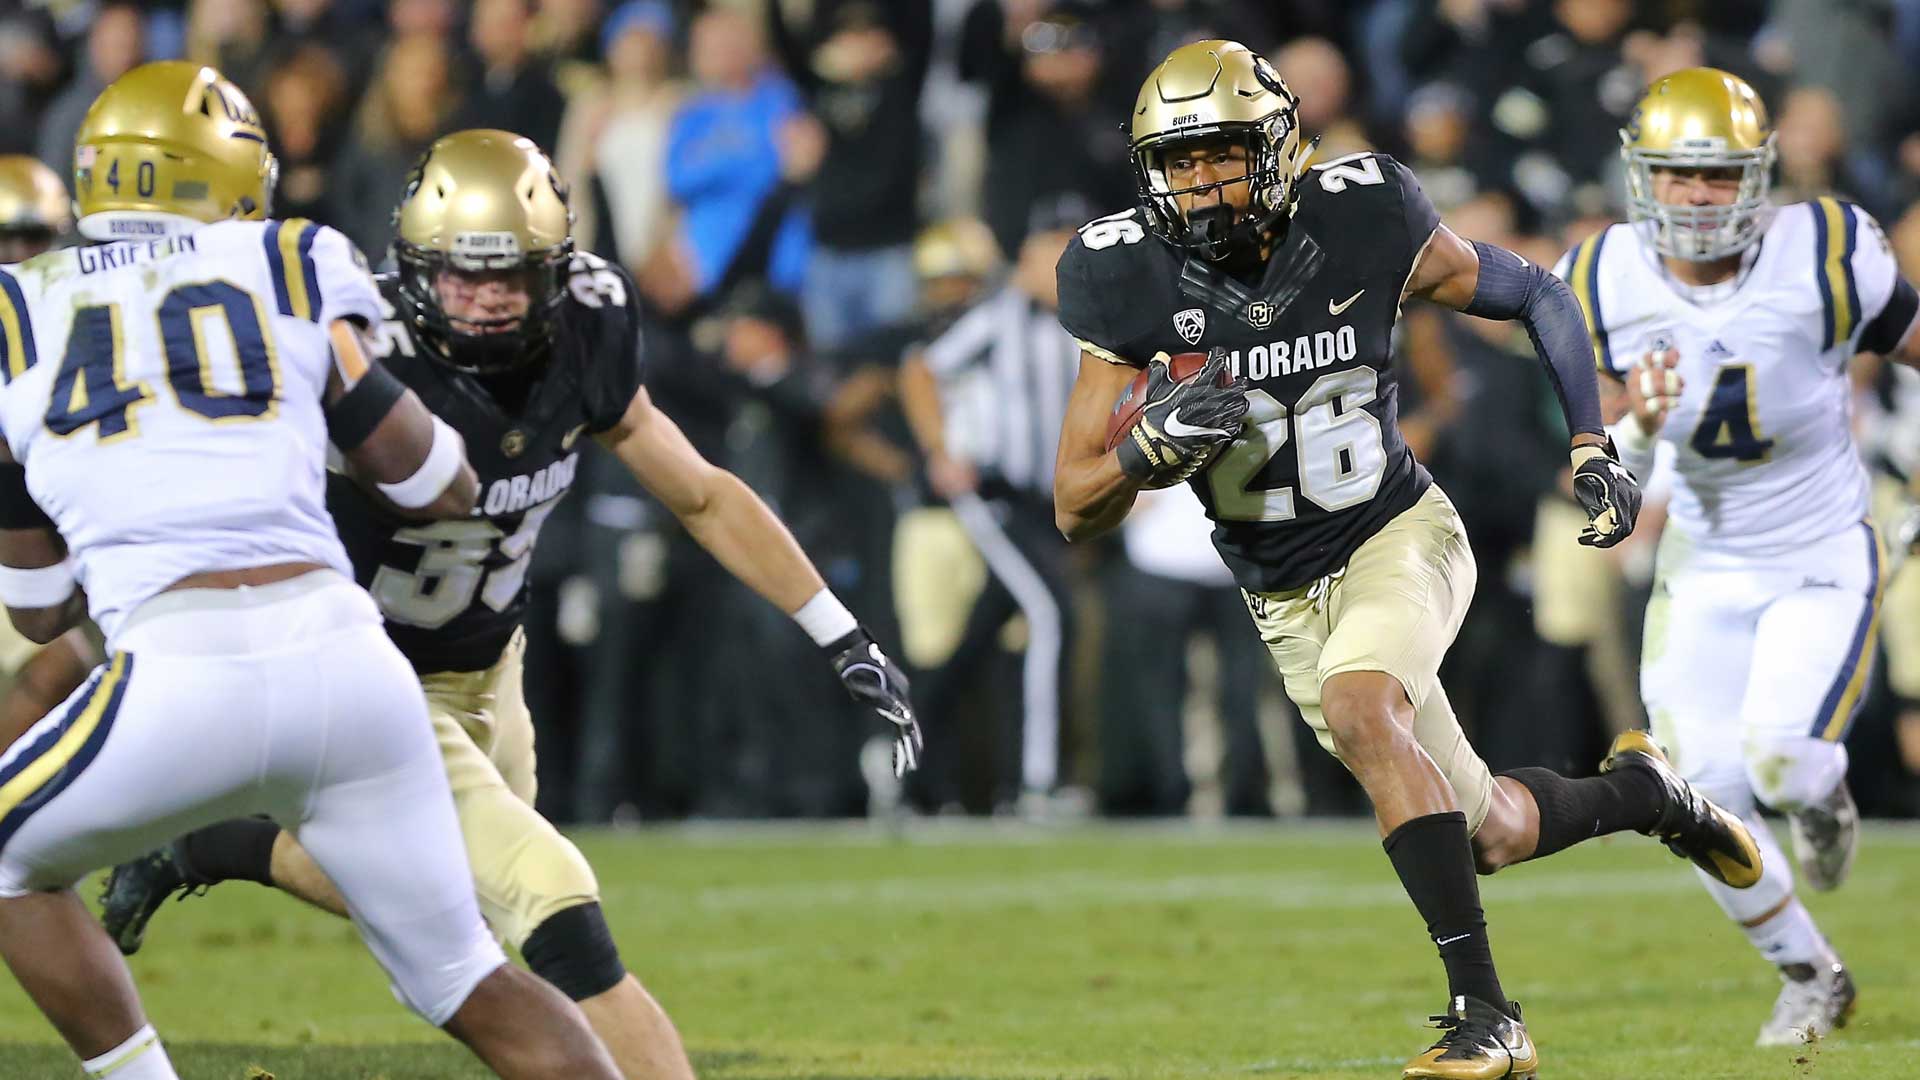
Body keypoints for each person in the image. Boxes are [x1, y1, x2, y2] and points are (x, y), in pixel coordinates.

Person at [95, 129, 919, 1080]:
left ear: (554, 272)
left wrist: (839, 632)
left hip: (491, 661)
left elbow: (699, 494)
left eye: (511, 277)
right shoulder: (353, 350)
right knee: (549, 894)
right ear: (415, 270)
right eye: (461, 276)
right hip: (367, 680)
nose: (486, 299)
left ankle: (212, 844)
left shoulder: (588, 328)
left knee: (452, 909)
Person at [1051, 40, 1761, 1078]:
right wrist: (1146, 452)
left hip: (1399, 533)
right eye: (1179, 161)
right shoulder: (1120, 271)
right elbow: (1075, 504)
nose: (1200, 182)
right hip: (1284, 595)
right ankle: (1650, 795)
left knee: (1362, 707)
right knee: (1493, 831)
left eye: (1222, 155)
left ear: (1276, 148)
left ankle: (1488, 1016)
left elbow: (1540, 294)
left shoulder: (1363, 212)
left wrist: (1590, 442)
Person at [0, 62, 617, 1079]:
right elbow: (431, 481)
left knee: (12, 864)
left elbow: (35, 608)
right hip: (349, 665)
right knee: (468, 975)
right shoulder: (294, 257)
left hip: (177, 675)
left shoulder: (18, 309)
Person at [1572, 67, 1920, 1046]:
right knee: (1699, 797)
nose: (1696, 196)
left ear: (1758, 175)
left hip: (1820, 551)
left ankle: (1821, 796)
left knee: (1786, 764)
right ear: (1641, 176)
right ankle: (1811, 974)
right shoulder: (1600, 276)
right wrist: (1637, 431)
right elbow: (1602, 478)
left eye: (1718, 174)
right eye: (1676, 174)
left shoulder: (1827, 253)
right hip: (1703, 564)